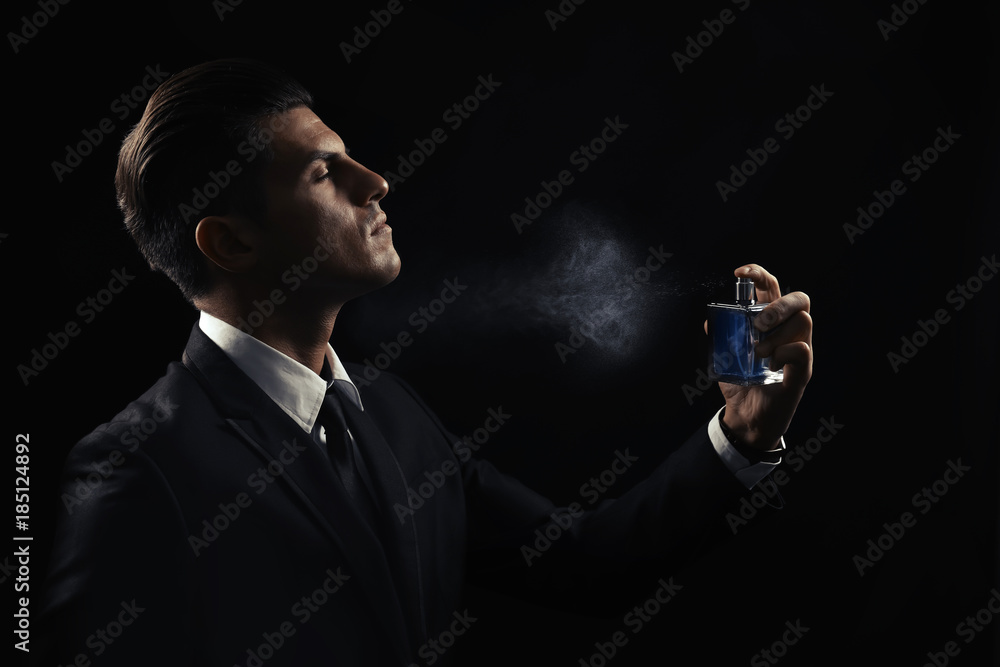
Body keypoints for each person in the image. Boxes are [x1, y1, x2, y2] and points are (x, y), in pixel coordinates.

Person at [35, 58, 813, 666]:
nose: (374, 182)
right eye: (322, 173)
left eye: (350, 161)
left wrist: (740, 437)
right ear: (231, 241)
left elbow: (584, 564)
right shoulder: (136, 471)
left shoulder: (397, 418)